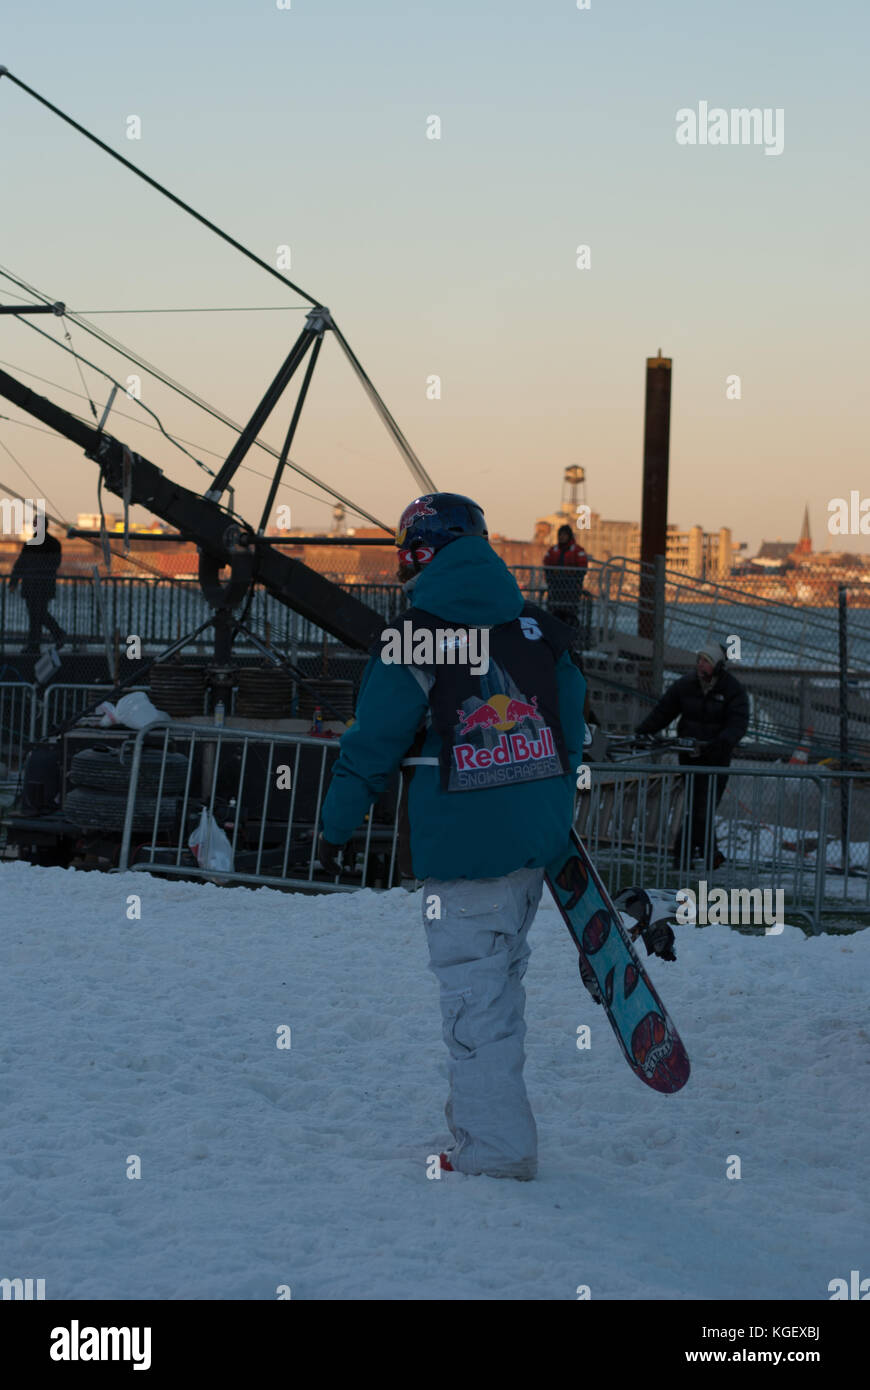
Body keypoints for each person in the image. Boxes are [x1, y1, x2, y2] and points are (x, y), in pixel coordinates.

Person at [318, 493, 586, 1180]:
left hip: (465, 853)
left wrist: (335, 826)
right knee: (502, 987)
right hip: (538, 847)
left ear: (422, 553)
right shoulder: (539, 630)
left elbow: (372, 743)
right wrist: (551, 808)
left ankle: (497, 1151)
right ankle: (494, 1131)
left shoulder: (413, 640)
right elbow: (573, 729)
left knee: (474, 1004)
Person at [635, 643, 749, 868]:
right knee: (699, 808)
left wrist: (722, 742)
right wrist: (642, 732)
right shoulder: (685, 685)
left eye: (706, 661)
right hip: (690, 755)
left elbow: (738, 723)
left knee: (702, 808)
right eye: (699, 660)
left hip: (716, 757)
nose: (700, 665)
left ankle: (692, 856)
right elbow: (664, 712)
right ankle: (702, 856)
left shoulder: (732, 690)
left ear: (717, 665)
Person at [8, 528, 65, 653]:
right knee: (39, 614)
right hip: (43, 585)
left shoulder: (31, 544)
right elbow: (55, 563)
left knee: (36, 615)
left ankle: (37, 643)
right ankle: (47, 639)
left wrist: (14, 581)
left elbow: (20, 564)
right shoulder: (54, 544)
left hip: (32, 585)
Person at [543, 523, 588, 628]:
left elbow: (582, 567)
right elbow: (547, 564)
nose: (562, 537)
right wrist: (550, 579)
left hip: (572, 588)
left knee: (570, 612)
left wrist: (574, 579)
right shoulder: (552, 550)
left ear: (569, 536)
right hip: (555, 587)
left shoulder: (578, 551)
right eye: (560, 535)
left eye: (564, 535)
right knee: (554, 612)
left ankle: (570, 631)